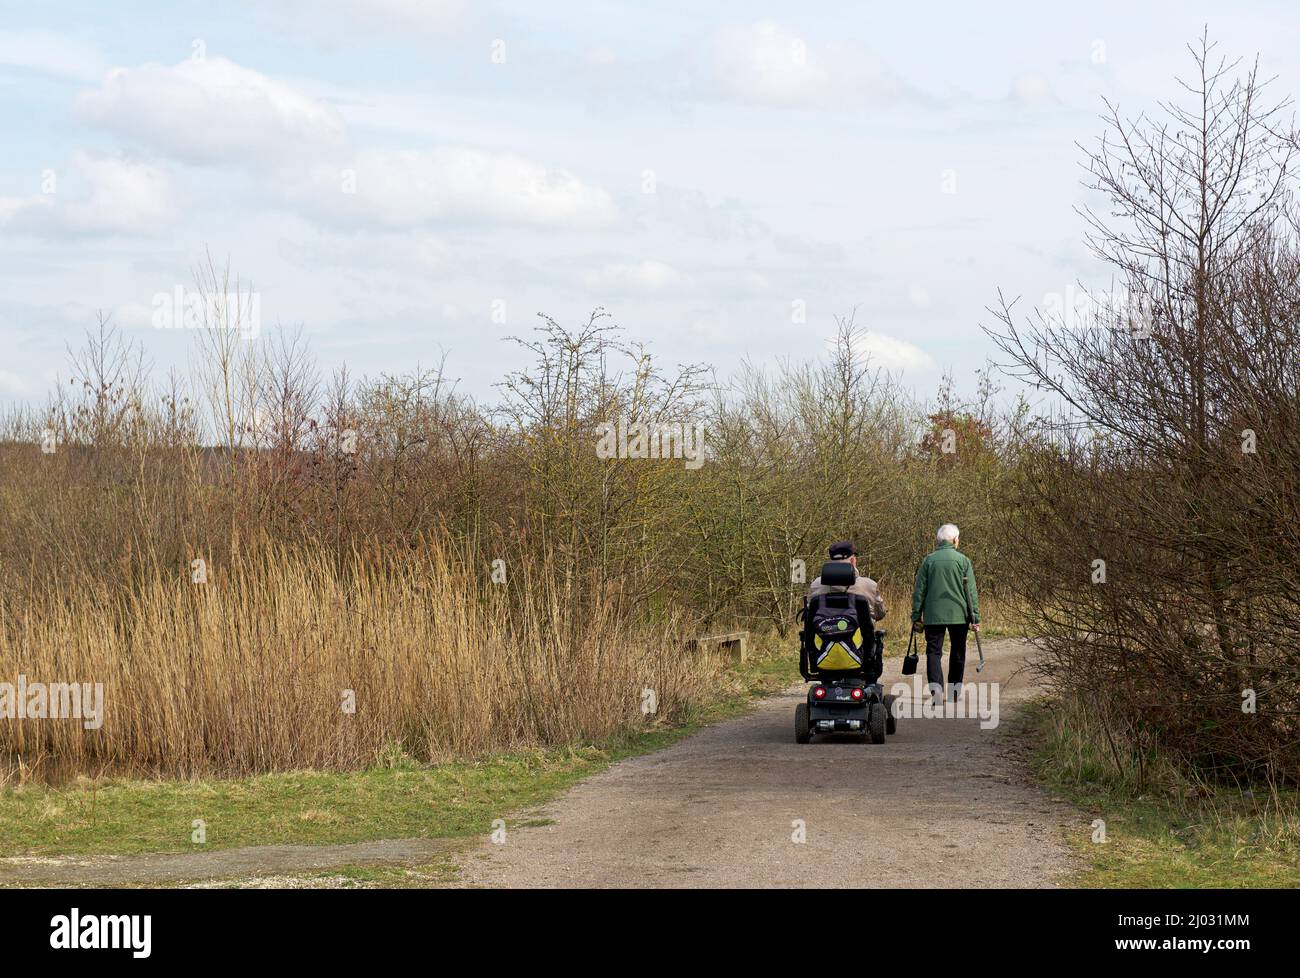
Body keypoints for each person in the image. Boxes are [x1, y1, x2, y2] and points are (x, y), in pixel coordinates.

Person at [911, 523, 980, 702]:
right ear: (955, 540)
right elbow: (970, 592)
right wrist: (975, 618)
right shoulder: (964, 561)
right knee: (958, 651)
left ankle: (936, 692)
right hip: (959, 615)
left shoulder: (928, 560)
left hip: (933, 615)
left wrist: (916, 615)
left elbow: (920, 590)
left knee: (934, 652)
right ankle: (954, 692)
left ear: (939, 540)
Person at [807, 540, 886, 621]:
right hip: (862, 633)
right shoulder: (869, 585)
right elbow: (880, 613)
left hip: (822, 632)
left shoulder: (815, 585)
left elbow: (809, 614)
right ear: (852, 560)